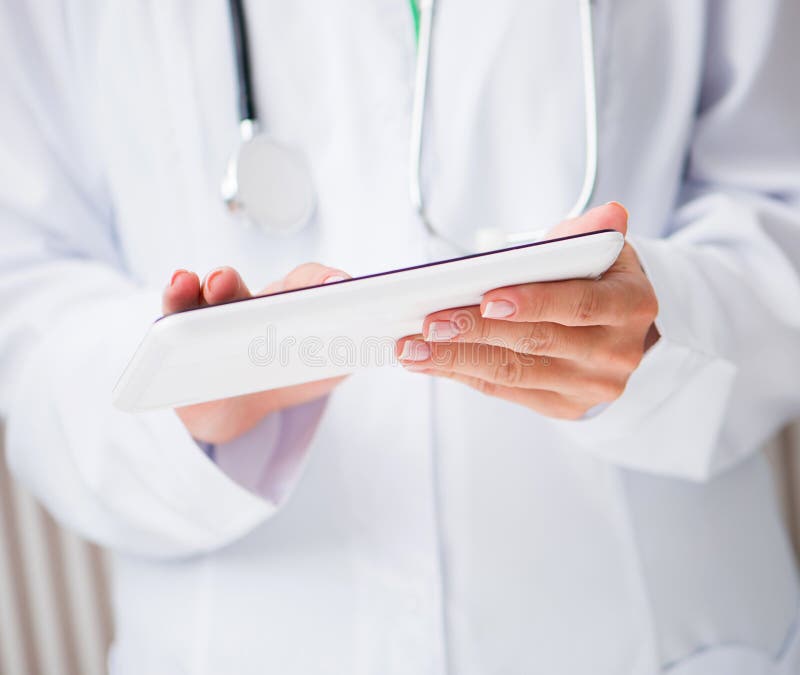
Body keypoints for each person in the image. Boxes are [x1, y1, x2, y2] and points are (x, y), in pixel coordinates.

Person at [1, 2, 799, 674]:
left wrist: (664, 332)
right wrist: (182, 401)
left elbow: (780, 202)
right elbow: (25, 300)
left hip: (647, 630)